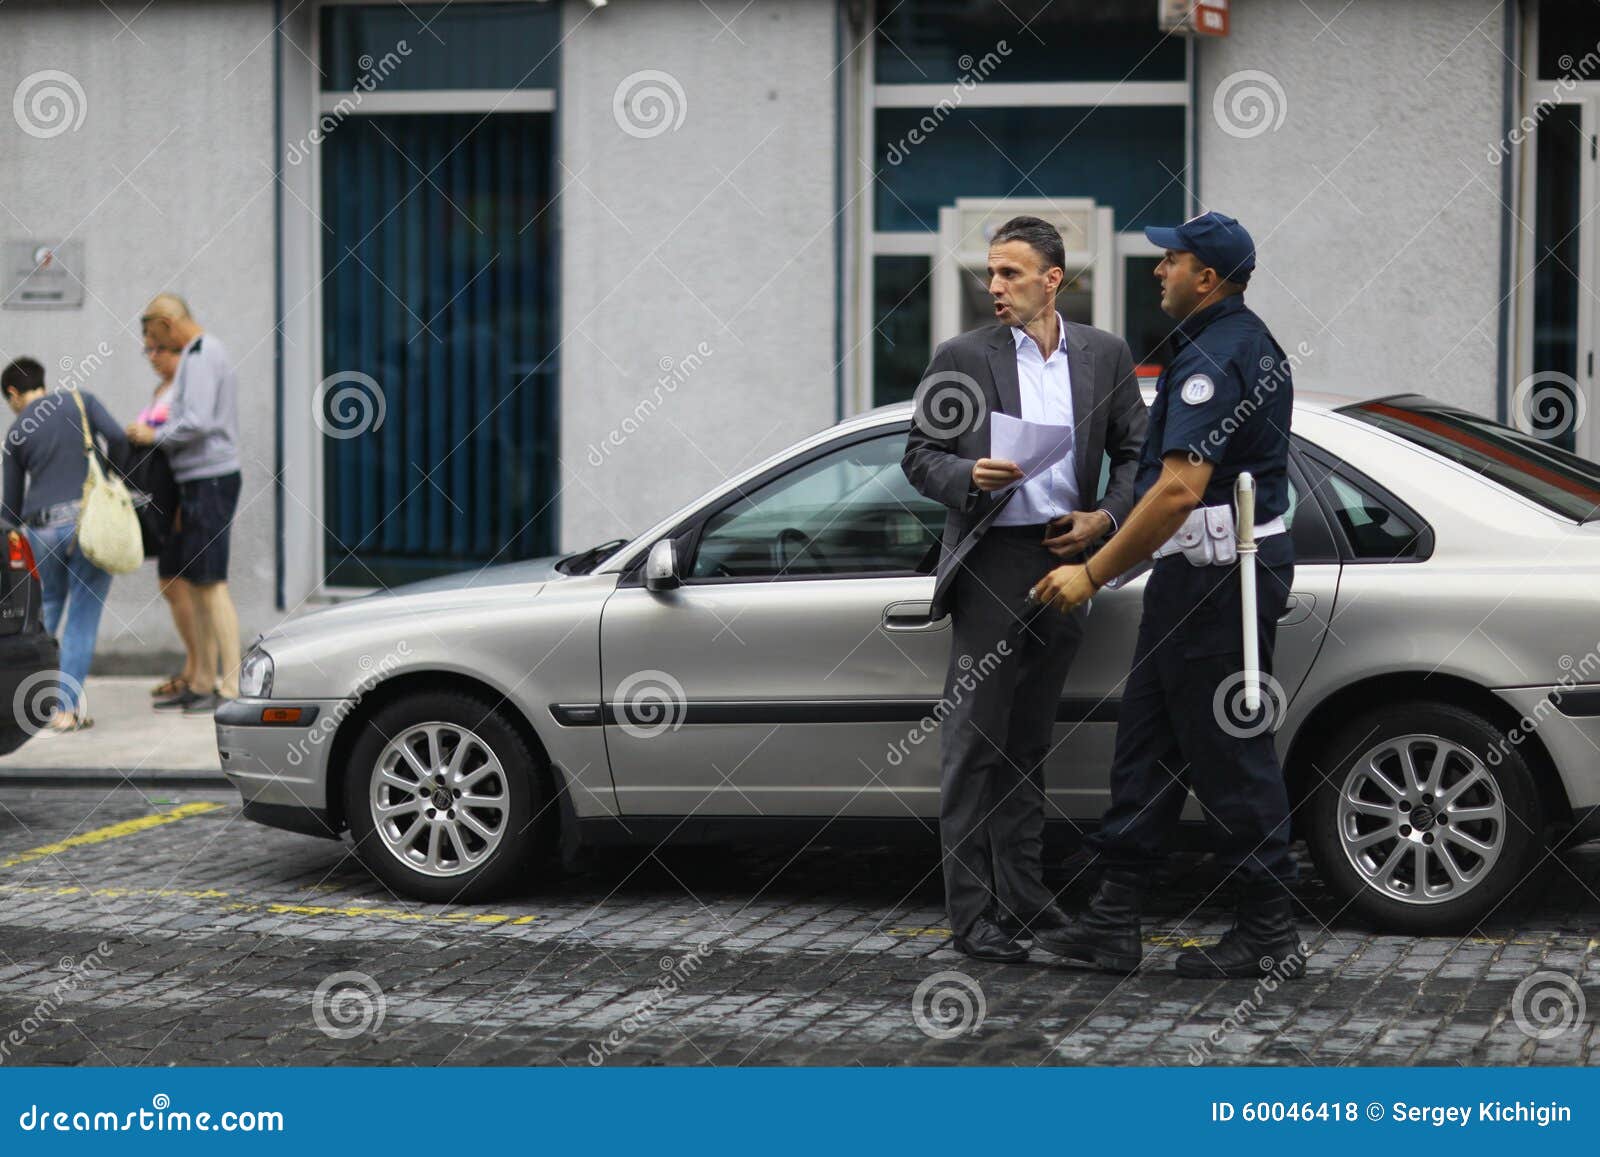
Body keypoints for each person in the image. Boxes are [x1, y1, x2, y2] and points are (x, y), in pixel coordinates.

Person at [1030, 211, 1304, 980]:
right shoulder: (1219, 341)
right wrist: (1107, 522)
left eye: (1172, 259)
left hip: (1221, 581)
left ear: (1207, 278)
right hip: (1194, 578)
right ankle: (1114, 919)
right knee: (1145, 747)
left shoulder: (1217, 356)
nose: (1159, 269)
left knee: (1231, 753)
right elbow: (1165, 485)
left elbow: (1181, 490)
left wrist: (1093, 572)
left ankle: (1270, 933)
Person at [901, 216, 1149, 963]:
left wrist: (1103, 518)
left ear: (1053, 280)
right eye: (990, 273)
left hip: (1066, 558)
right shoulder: (963, 356)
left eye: (1010, 273)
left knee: (1028, 741)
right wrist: (964, 477)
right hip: (993, 562)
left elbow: (1139, 453)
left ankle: (1025, 896)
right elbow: (917, 454)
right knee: (975, 740)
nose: (994, 287)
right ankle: (973, 917)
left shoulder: (1104, 355)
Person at [1, 356, 130, 734]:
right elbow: (120, 438)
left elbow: (10, 507)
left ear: (12, 393)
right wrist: (113, 479)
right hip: (89, 522)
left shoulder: (16, 431)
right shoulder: (81, 400)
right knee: (83, 618)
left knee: (47, 612)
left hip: (42, 531)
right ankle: (64, 710)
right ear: (41, 382)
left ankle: (32, 704)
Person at [127, 294, 242, 715]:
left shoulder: (205, 352)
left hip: (210, 477)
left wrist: (150, 435)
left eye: (158, 340)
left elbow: (198, 420)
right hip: (197, 479)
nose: (158, 351)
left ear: (170, 323)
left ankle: (229, 685)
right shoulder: (197, 352)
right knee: (196, 583)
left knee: (211, 583)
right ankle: (201, 680)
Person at [124, 340, 193, 699]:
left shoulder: (183, 390)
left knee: (180, 584)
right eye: (148, 351)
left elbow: (184, 438)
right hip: (160, 496)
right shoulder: (161, 390)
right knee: (172, 583)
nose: (153, 357)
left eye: (159, 349)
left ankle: (198, 670)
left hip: (178, 495)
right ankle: (192, 668)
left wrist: (149, 433)